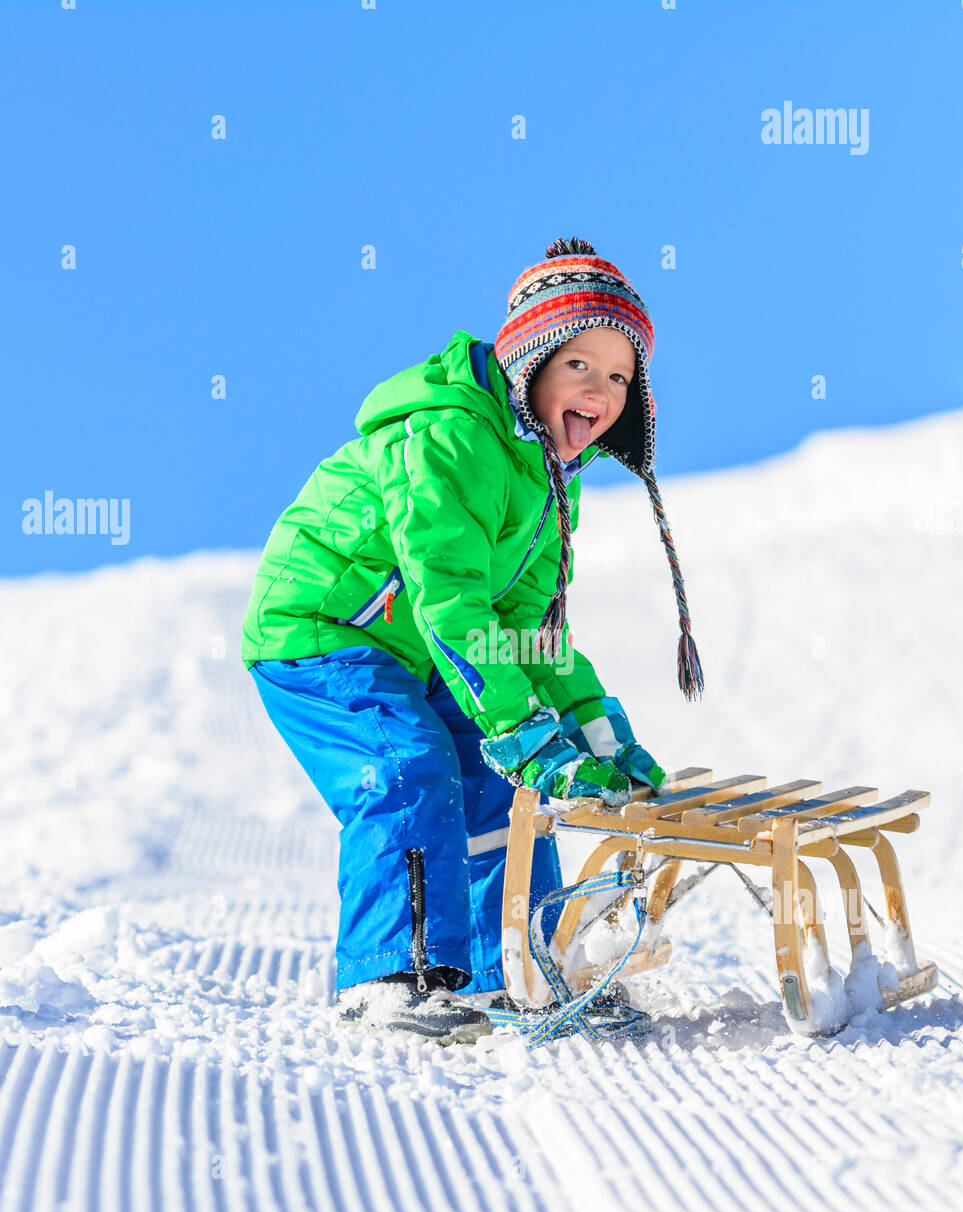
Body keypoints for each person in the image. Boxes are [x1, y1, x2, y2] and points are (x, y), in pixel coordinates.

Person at [240, 237, 703, 1042]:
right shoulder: (449, 435)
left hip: (417, 644)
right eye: (581, 366)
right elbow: (449, 598)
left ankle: (517, 973)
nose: (602, 390)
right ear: (530, 362)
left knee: (499, 783)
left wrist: (594, 730)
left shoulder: (547, 477)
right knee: (408, 765)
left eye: (621, 375)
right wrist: (518, 724)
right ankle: (393, 977)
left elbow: (526, 629)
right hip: (322, 630)